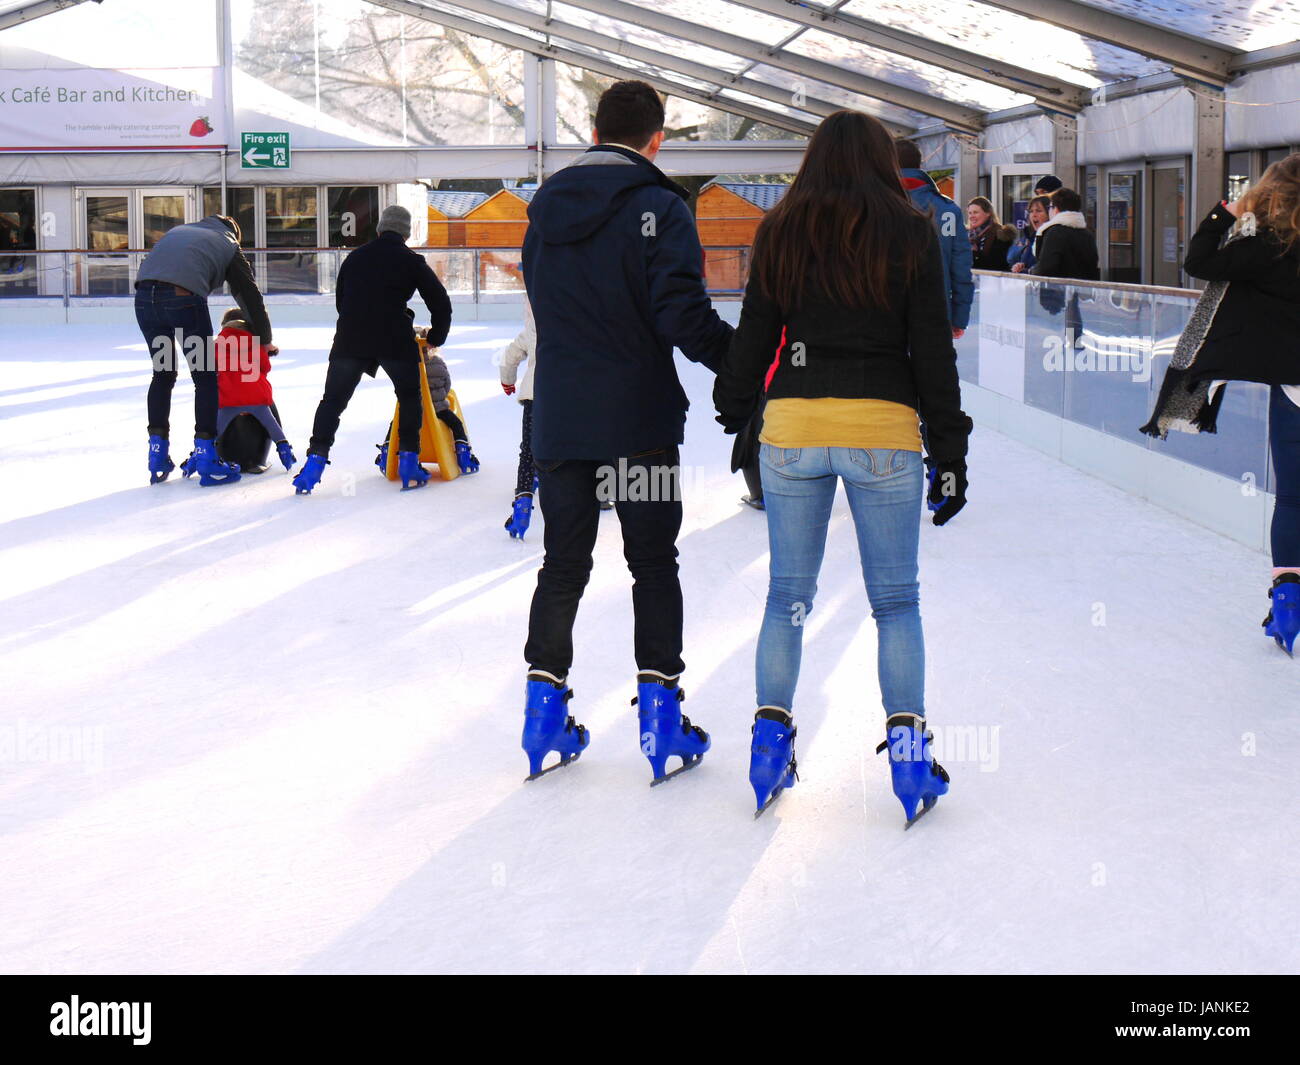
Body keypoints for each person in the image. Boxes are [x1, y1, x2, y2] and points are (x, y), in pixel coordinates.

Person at [713, 109, 973, 823]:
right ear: (883, 166)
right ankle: (911, 759)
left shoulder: (781, 232)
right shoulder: (912, 232)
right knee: (896, 603)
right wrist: (950, 450)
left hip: (793, 428)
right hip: (884, 431)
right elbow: (932, 352)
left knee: (785, 596)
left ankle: (769, 746)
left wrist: (734, 401)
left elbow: (757, 332)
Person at [518, 79, 734, 783]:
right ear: (657, 138)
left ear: (592, 130)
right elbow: (680, 312)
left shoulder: (544, 208)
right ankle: (660, 720)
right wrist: (743, 361)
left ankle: (542, 714)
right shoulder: (660, 205)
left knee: (563, 563)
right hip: (637, 421)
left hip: (560, 421)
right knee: (652, 563)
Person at [1141, 154, 1300, 653]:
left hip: (1295, 389)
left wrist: (1225, 213)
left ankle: (1289, 602)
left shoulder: (1267, 246)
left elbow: (1199, 262)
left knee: (1294, 497)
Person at [293, 205, 452, 494]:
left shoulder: (354, 258)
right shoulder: (412, 261)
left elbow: (342, 302)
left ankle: (314, 461)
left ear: (379, 230)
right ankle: (408, 461)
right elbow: (441, 302)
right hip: (393, 338)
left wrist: (357, 323)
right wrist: (436, 337)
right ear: (406, 233)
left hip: (350, 339)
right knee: (409, 396)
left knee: (332, 401)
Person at [134, 214, 274, 486]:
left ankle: (157, 453)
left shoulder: (181, 231)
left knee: (163, 374)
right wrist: (265, 338)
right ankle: (207, 454)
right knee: (205, 377)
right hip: (182, 301)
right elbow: (248, 294)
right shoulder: (228, 242)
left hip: (145, 302)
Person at [375, 311, 479, 478]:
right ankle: (463, 453)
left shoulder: (405, 364)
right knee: (456, 424)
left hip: (410, 411)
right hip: (438, 409)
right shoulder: (437, 362)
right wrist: (439, 397)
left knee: (394, 425)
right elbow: (447, 384)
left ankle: (387, 451)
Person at [896, 139, 974, 340]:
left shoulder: (873, 205)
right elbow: (961, 268)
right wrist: (959, 317)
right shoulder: (947, 209)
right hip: (936, 313)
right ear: (920, 165)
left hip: (882, 316)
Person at [212, 307, 295, 475]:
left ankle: (200, 455)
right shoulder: (256, 343)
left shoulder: (216, 344)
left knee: (214, 431)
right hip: (256, 397)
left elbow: (210, 370)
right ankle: (284, 448)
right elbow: (265, 367)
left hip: (229, 399)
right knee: (272, 424)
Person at [499, 293, 539, 538]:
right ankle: (600, 495)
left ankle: (522, 509)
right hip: (572, 399)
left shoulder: (532, 330)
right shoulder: (576, 323)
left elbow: (509, 356)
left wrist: (507, 381)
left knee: (529, 450)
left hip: (535, 396)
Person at [1029, 187, 1100, 280]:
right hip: (1083, 290)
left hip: (1058, 291)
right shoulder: (1087, 234)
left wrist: (1032, 271)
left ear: (1056, 209)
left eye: (1050, 207)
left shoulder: (1055, 233)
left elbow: (1046, 268)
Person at [966, 196, 1017, 271]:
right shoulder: (966, 235)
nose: (971, 216)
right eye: (970, 213)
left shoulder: (1001, 234)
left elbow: (995, 265)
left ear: (988, 213)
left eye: (975, 212)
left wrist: (974, 253)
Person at [1007, 195, 1051, 273]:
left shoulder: (1052, 237)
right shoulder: (1031, 237)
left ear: (1049, 214)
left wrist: (1026, 271)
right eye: (1031, 211)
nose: (1034, 215)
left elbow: (1045, 268)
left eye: (1038, 211)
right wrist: (1019, 266)